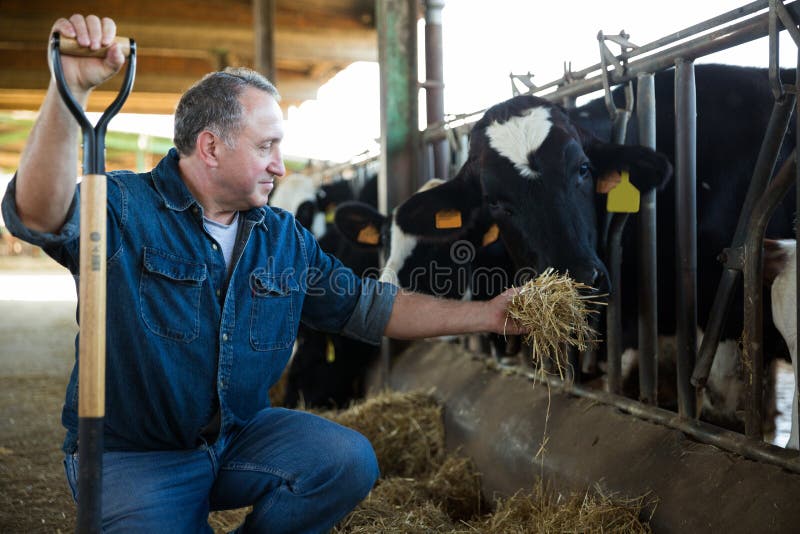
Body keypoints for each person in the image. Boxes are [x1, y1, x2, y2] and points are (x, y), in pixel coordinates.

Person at [1, 14, 524, 533]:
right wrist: (67, 94)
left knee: (346, 460)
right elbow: (40, 214)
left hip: (238, 439)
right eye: (265, 146)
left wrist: (487, 314)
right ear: (210, 147)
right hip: (135, 457)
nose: (280, 166)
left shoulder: (283, 238)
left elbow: (369, 306)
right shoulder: (122, 206)